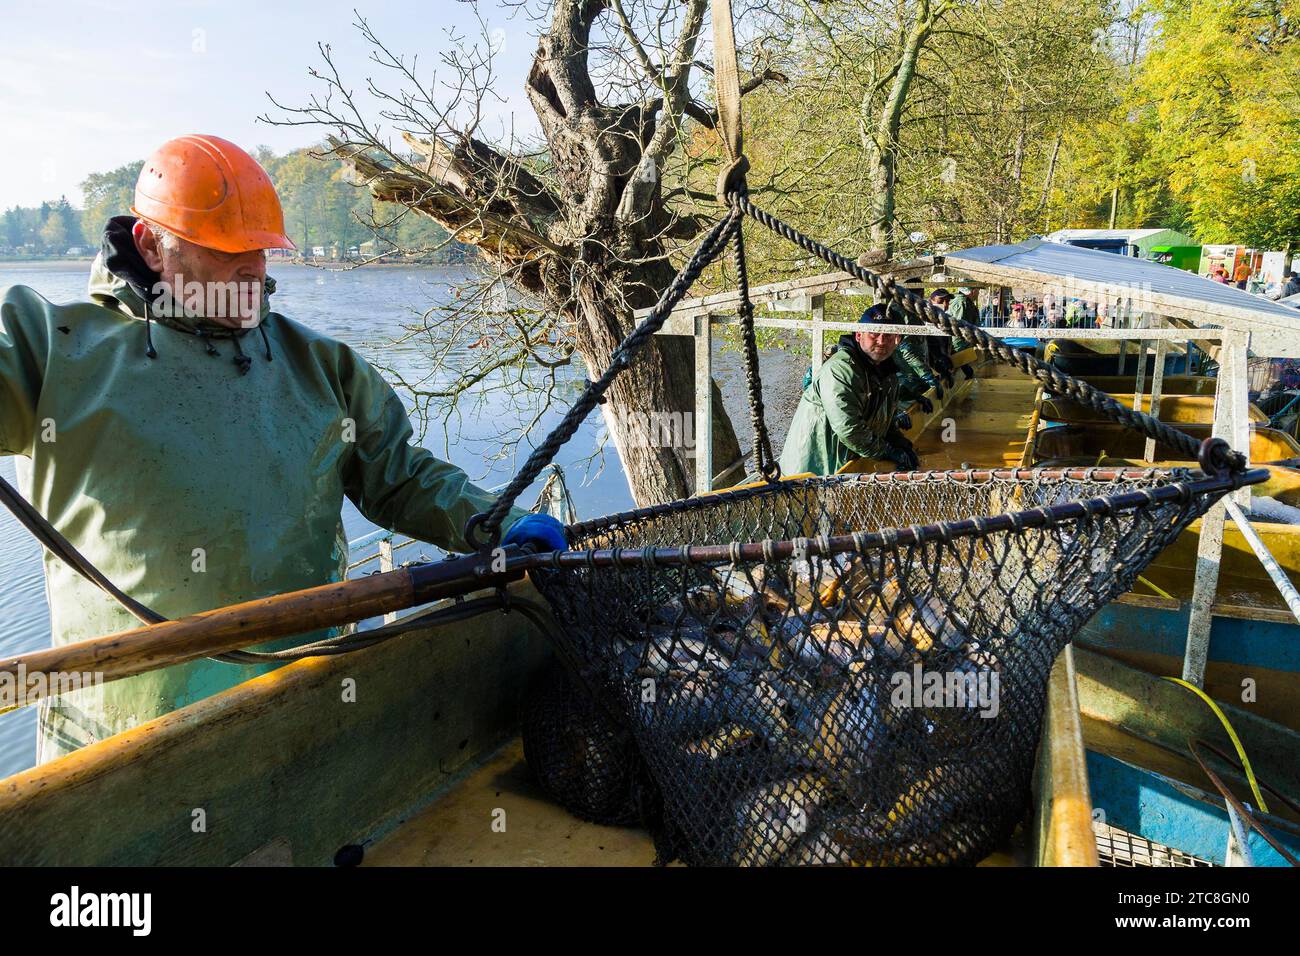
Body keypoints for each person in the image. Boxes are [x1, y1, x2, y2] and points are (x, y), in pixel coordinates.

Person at [0, 134, 564, 763]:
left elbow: (402, 479)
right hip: (120, 735)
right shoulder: (49, 345)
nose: (255, 271)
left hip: (304, 705)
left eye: (261, 250)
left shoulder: (321, 365)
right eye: (225, 251)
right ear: (151, 245)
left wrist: (499, 523)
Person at [778, 304, 916, 476]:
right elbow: (849, 428)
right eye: (874, 333)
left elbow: (882, 419)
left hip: (846, 462)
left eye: (888, 335)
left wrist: (898, 441)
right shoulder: (840, 369)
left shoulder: (888, 373)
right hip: (813, 470)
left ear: (897, 339)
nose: (881, 341)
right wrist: (888, 451)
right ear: (859, 335)